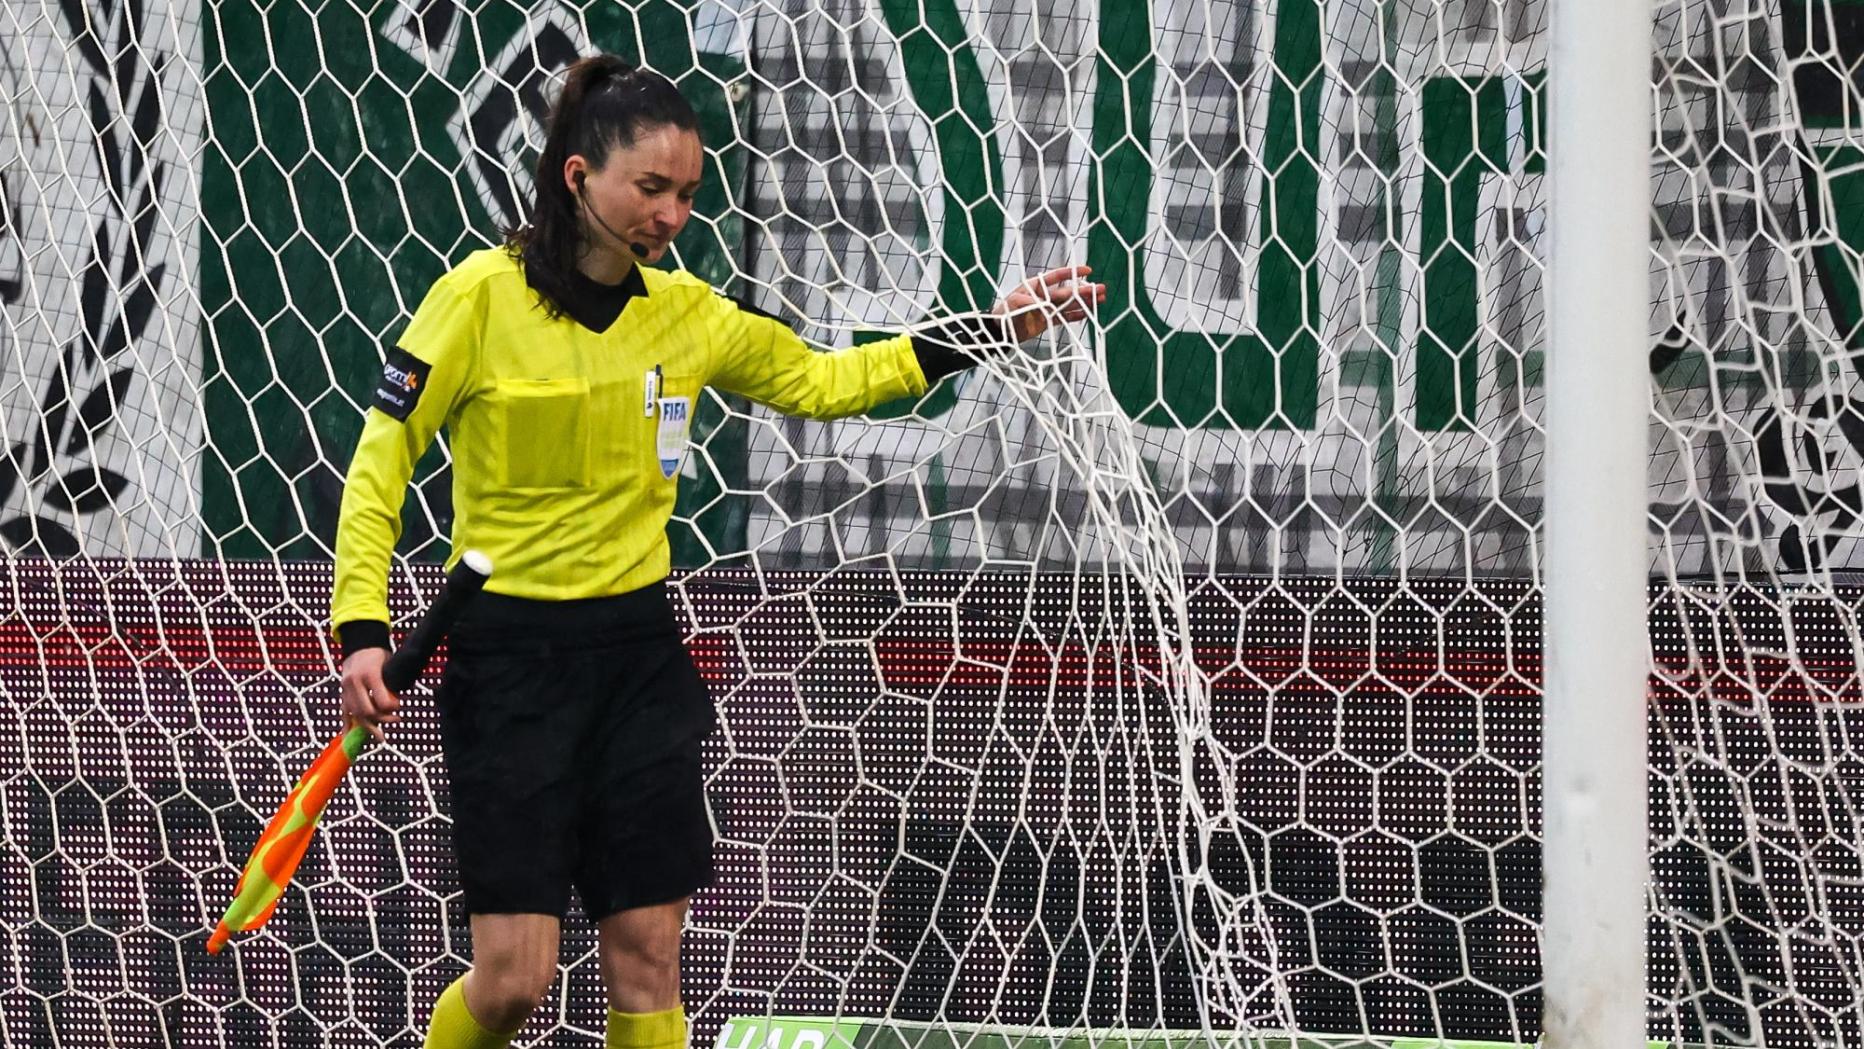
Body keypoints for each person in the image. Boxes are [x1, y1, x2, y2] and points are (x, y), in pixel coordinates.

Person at [330, 53, 1104, 1049]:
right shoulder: (476, 298)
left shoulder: (688, 313)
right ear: (578, 177)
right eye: (650, 188)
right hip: (509, 665)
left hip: (636, 658)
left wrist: (990, 330)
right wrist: (362, 629)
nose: (672, 214)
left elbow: (825, 382)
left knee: (648, 958)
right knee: (513, 981)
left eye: (688, 193)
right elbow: (378, 463)